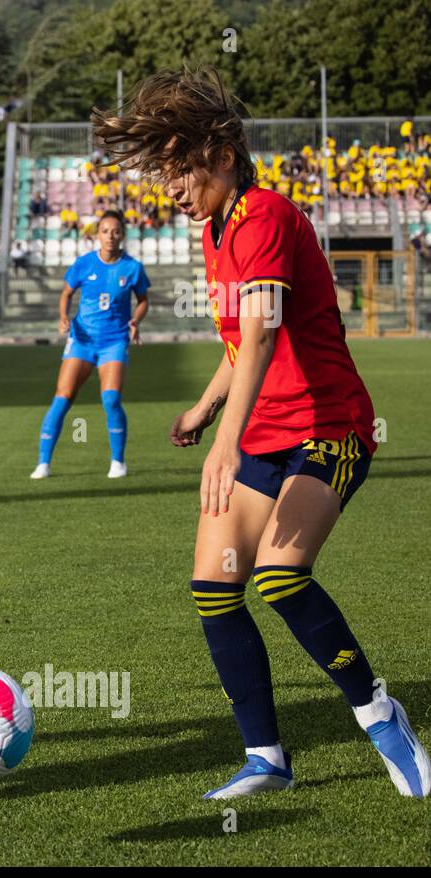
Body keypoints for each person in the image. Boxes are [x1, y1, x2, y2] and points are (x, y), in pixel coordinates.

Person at [95, 65, 429, 799]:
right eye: (165, 174)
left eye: (181, 170)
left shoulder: (266, 217)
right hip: (263, 434)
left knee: (280, 576)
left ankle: (380, 714)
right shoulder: (216, 231)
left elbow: (266, 329)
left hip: (329, 426)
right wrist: (207, 408)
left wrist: (224, 438)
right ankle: (266, 757)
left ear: (220, 152)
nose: (172, 188)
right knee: (215, 586)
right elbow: (238, 346)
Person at [30, 209, 149, 480]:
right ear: (98, 235)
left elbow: (143, 300)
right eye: (105, 231)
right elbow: (66, 293)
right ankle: (43, 463)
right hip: (82, 340)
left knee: (111, 399)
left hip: (114, 341)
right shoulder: (84, 264)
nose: (110, 236)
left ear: (123, 234)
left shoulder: (132, 268)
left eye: (116, 231)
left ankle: (118, 462)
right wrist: (63, 318)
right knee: (62, 399)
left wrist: (135, 321)